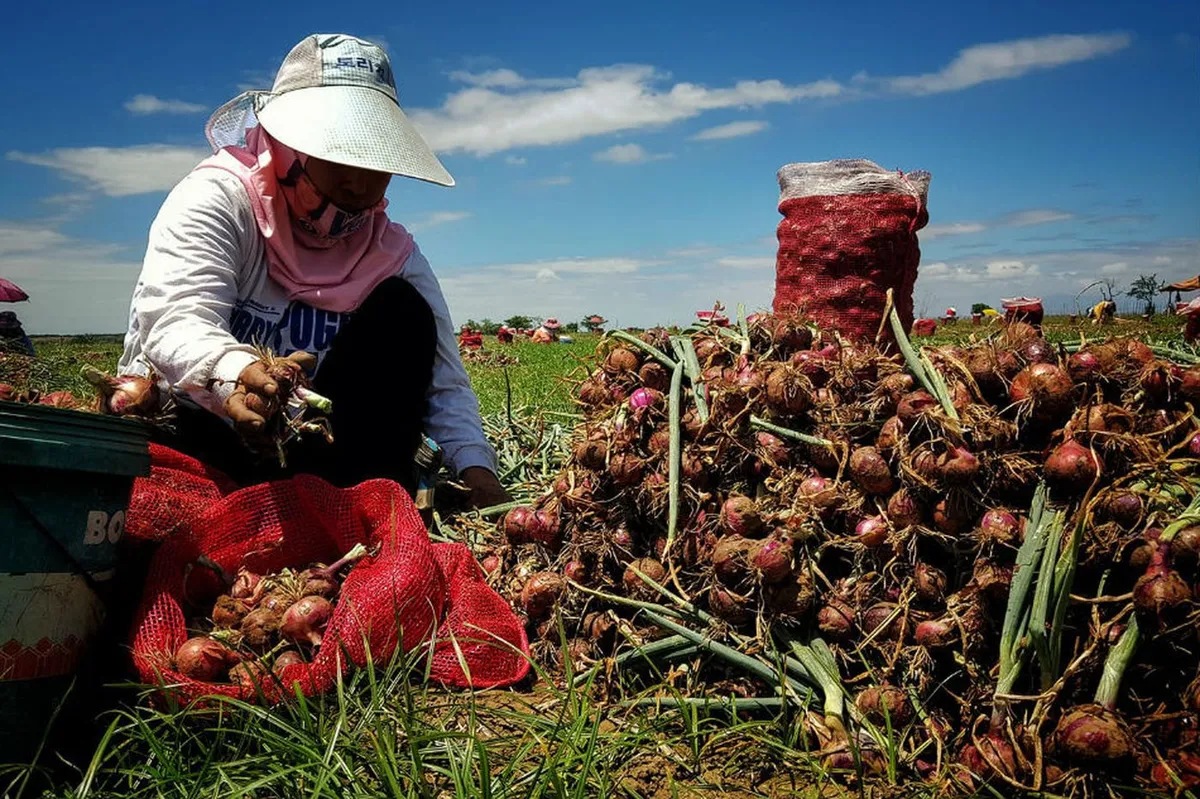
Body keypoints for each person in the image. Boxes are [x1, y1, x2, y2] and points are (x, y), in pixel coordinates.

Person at [117, 33, 511, 509]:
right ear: (289, 147)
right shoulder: (219, 201)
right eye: (338, 151)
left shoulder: (391, 251)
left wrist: (477, 472)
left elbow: (444, 381)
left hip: (312, 451)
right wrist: (234, 373)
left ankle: (359, 506)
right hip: (203, 433)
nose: (358, 182)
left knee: (402, 314)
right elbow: (175, 320)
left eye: (374, 157)